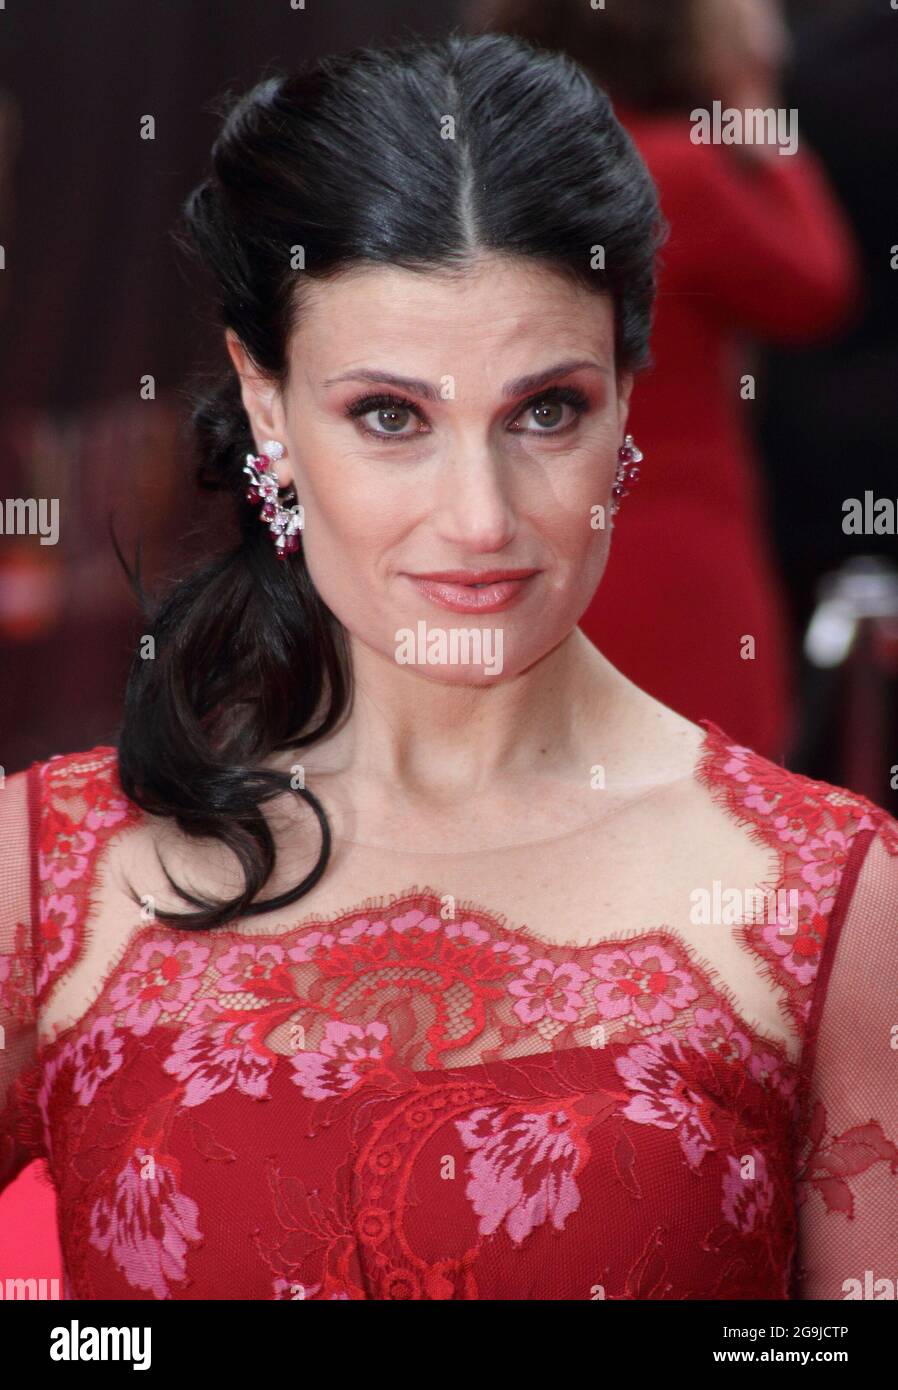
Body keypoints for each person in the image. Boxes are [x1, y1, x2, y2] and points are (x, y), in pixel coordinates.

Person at [0, 32, 895, 1302]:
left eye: (545, 410)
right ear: (267, 405)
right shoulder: (48, 873)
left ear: (629, 400)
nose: (479, 518)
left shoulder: (824, 902)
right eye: (389, 417)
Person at [466, 0, 861, 761]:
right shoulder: (677, 167)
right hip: (675, 555)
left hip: (521, 543)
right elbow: (817, 286)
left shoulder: (499, 167)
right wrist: (758, 118)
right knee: (705, 806)